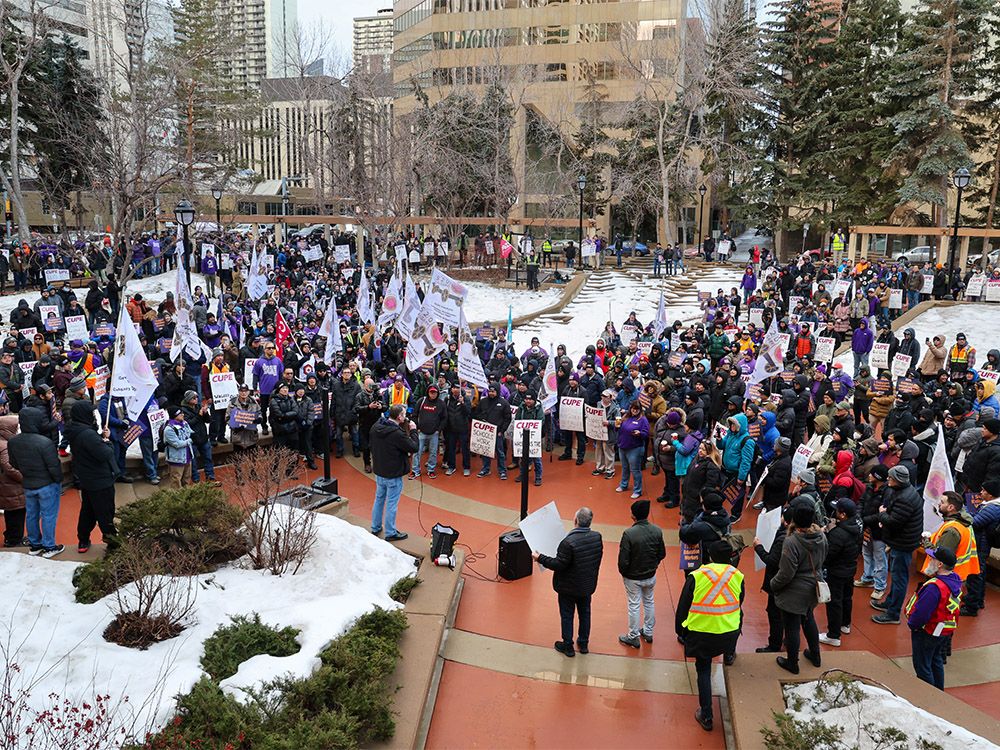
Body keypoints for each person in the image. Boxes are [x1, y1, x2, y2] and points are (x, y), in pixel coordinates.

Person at [675, 540, 745, 732]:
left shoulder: (697, 576)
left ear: (710, 556)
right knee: (725, 650)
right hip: (729, 633)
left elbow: (683, 608)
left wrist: (681, 631)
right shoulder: (737, 575)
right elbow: (740, 602)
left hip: (702, 633)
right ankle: (730, 655)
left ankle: (706, 715)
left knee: (703, 671)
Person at [532, 507, 604, 658]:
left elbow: (559, 564)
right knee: (585, 613)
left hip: (568, 587)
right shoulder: (597, 537)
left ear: (576, 520)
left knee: (567, 615)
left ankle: (568, 646)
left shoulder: (568, 542)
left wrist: (540, 558)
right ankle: (583, 643)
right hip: (587, 585)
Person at [770, 502, 827, 674]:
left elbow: (786, 573)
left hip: (794, 591)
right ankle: (815, 655)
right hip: (812, 588)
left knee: (792, 627)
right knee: (809, 619)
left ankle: (792, 662)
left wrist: (773, 584)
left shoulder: (792, 541)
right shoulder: (821, 537)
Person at [871, 465, 923, 625]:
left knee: (899, 578)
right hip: (901, 540)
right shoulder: (904, 492)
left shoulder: (905, 498)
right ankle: (891, 601)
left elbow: (894, 522)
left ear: (898, 480)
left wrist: (882, 515)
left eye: (890, 478)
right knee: (896, 575)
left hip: (903, 543)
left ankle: (893, 614)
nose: (887, 480)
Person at [905, 546, 962, 690]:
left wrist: (913, 624)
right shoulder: (954, 580)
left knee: (922, 666)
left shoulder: (934, 587)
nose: (930, 560)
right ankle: (938, 693)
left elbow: (922, 614)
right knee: (935, 660)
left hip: (927, 631)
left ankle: (928, 699)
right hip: (943, 630)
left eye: (933, 558)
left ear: (940, 564)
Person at [64, 400, 117, 555]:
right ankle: (112, 541)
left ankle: (83, 539)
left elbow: (91, 446)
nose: (94, 415)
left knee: (88, 511)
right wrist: (107, 441)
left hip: (88, 479)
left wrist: (100, 436)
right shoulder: (87, 434)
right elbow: (105, 453)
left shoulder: (77, 430)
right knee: (105, 512)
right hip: (100, 480)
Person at [617, 499, 666, 648]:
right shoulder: (657, 531)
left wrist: (624, 572)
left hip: (633, 577)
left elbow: (623, 560)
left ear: (633, 516)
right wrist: (653, 566)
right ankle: (648, 632)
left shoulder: (629, 534)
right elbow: (661, 554)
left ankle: (633, 636)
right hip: (650, 575)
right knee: (649, 601)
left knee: (634, 605)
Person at [819, 498, 863, 647]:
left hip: (836, 572)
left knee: (834, 602)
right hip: (850, 568)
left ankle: (833, 635)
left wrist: (827, 535)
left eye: (837, 510)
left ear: (843, 514)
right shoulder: (857, 525)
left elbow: (829, 555)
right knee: (846, 597)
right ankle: (845, 624)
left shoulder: (838, 534)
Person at [370, 404, 418, 542]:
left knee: (379, 499)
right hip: (393, 473)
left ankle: (375, 526)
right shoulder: (397, 433)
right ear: (399, 417)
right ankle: (390, 532)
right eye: (404, 414)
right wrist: (413, 430)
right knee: (391, 503)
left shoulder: (376, 427)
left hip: (380, 470)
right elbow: (414, 447)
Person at [965, 479, 1000, 617]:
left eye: (984, 491)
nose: (981, 492)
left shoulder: (991, 508)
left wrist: (967, 511)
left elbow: (974, 523)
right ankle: (978, 600)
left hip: (981, 545)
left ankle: (971, 606)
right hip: (984, 544)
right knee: (980, 572)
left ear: (991, 495)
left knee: (975, 575)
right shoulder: (991, 506)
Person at [0, 415, 25, 548]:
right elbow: (9, 467)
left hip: (7, 487)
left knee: (12, 514)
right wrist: (23, 478)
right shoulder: (4, 446)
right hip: (11, 488)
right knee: (16, 514)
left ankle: (12, 537)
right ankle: (14, 540)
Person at [411, 384, 445, 479]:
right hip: (421, 432)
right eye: (431, 392)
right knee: (417, 452)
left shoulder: (441, 403)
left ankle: (431, 470)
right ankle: (415, 471)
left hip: (434, 433)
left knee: (433, 452)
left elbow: (444, 418)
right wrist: (416, 427)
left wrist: (439, 430)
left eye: (435, 392)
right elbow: (414, 414)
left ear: (437, 393)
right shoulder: (421, 401)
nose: (433, 394)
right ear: (428, 392)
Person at [616, 400, 649, 499]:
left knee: (635, 470)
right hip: (623, 446)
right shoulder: (626, 416)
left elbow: (646, 434)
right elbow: (619, 428)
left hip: (635, 448)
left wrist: (640, 433)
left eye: (637, 409)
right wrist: (617, 426)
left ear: (640, 410)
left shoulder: (643, 420)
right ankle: (623, 485)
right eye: (633, 408)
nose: (635, 410)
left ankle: (637, 490)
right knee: (625, 467)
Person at [181, 390, 216, 484]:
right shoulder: (183, 411)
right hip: (192, 440)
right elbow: (189, 424)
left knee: (208, 458)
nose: (196, 399)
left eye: (196, 397)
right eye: (194, 398)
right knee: (193, 463)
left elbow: (208, 420)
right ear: (188, 399)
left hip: (203, 438)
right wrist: (199, 415)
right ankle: (196, 480)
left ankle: (210, 477)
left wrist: (205, 413)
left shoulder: (199, 406)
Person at [163, 406, 194, 488]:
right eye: (180, 413)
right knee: (176, 482)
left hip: (187, 457)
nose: (183, 415)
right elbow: (177, 444)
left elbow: (190, 433)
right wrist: (189, 441)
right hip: (176, 460)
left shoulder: (185, 423)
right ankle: (177, 499)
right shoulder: (169, 429)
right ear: (175, 415)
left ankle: (187, 497)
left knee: (187, 480)